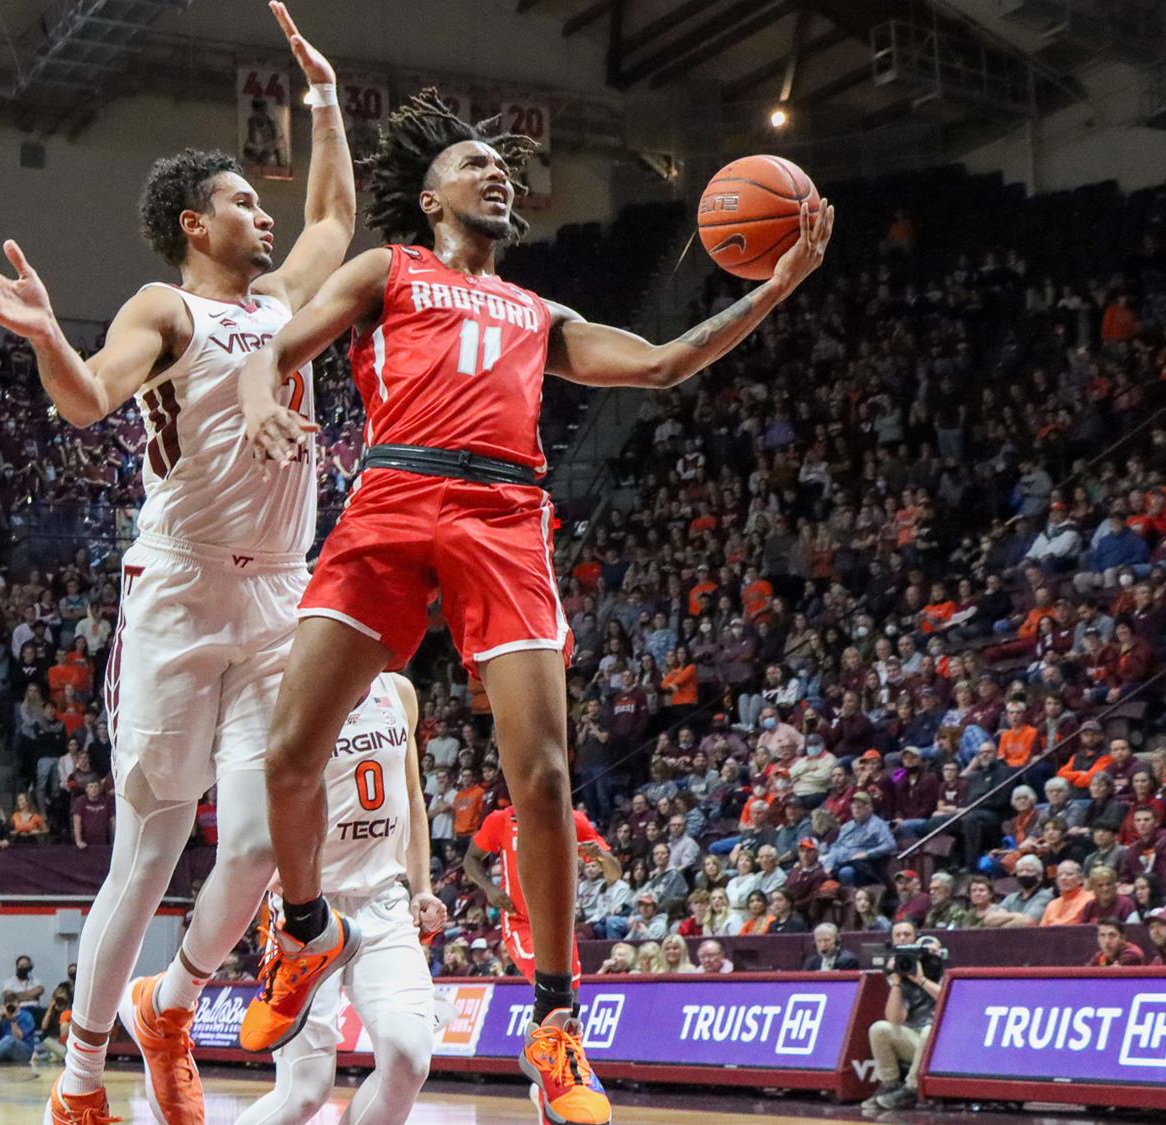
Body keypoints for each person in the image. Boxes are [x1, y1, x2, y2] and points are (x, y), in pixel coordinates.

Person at [236, 86, 832, 1125]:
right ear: (428, 198)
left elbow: (659, 363)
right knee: (289, 754)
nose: (496, 175)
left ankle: (554, 1023)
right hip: (392, 491)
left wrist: (777, 285)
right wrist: (257, 404)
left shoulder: (537, 311)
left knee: (545, 774)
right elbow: (273, 354)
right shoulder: (387, 271)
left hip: (505, 515)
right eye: (475, 165)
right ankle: (299, 931)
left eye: (502, 169)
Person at [0, 9, 354, 1123]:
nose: (260, 214)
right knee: (147, 852)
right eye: (239, 201)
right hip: (178, 591)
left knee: (273, 837)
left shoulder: (285, 302)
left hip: (278, 588)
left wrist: (322, 97)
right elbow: (87, 400)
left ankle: (166, 1006)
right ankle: (79, 1081)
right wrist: (44, 335)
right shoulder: (164, 306)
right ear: (193, 222)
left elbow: (332, 212)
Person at [234, 673, 443, 1125]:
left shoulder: (399, 691)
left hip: (384, 900)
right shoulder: (290, 691)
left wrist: (420, 885)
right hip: (310, 909)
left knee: (409, 1060)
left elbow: (409, 795)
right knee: (305, 1092)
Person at [467, 800, 620, 980]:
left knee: (569, 994)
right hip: (520, 920)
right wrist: (490, 889)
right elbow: (471, 859)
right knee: (547, 978)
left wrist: (601, 856)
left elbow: (614, 874)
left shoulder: (571, 819)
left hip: (559, 925)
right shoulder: (503, 819)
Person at [861, 935, 943, 1113]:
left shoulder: (948, 976)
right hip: (916, 1042)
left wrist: (922, 980)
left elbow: (947, 998)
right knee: (879, 1028)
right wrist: (897, 983)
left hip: (942, 1045)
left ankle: (912, 1088)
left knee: (929, 1030)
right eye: (925, 954)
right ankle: (889, 1084)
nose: (930, 958)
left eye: (933, 953)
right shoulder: (908, 980)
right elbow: (894, 1019)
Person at [0, 996, 37, 1065]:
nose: (11, 1009)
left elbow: (19, 1037)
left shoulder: (27, 1016)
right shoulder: (4, 1017)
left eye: (13, 1006)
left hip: (25, 1052)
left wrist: (13, 1020)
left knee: (9, 1038)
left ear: (19, 1005)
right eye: (9, 1006)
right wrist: (0, 1017)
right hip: (7, 1051)